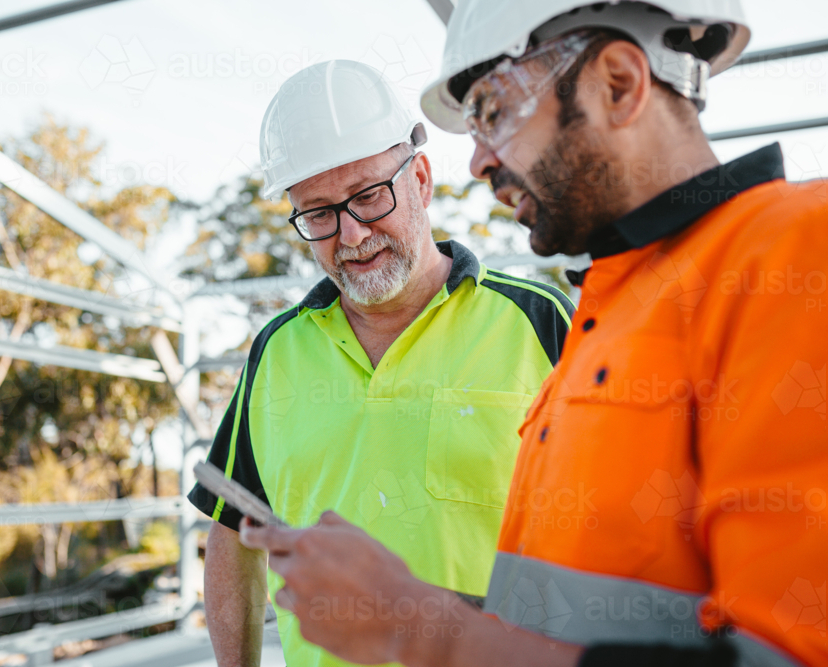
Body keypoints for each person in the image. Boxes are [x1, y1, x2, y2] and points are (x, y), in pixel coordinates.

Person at [240, 2, 828, 666]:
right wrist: (393, 599)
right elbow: (566, 622)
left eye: (493, 111)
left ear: (618, 83)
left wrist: (421, 625)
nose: (478, 162)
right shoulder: (612, 311)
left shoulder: (797, 258)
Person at [187, 59, 575, 667]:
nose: (351, 235)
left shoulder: (540, 321)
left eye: (368, 196)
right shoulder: (276, 352)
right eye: (318, 214)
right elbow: (232, 532)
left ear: (420, 178)